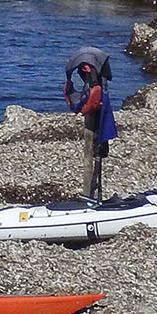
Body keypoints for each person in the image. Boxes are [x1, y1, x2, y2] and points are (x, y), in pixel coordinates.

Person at [64, 47, 117, 201]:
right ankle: (90, 192)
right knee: (92, 146)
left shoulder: (96, 83)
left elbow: (94, 98)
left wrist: (83, 108)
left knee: (95, 145)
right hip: (95, 96)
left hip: (98, 105)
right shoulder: (88, 71)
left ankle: (91, 193)